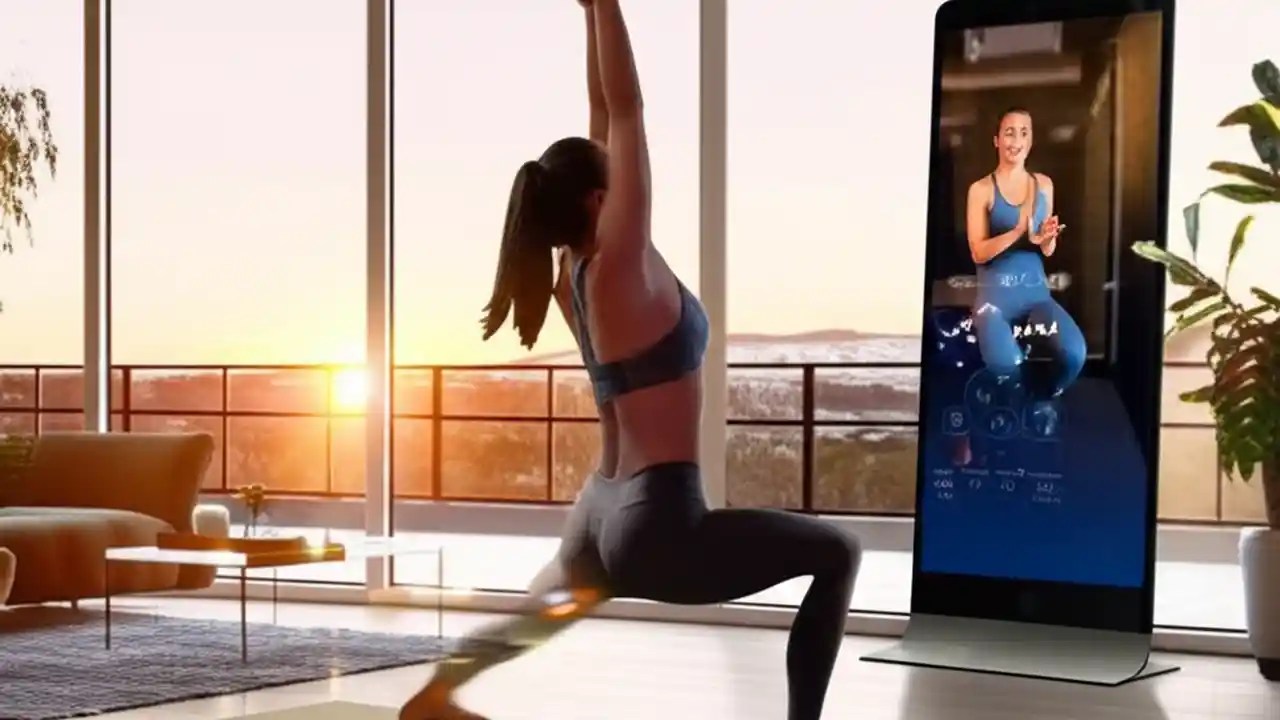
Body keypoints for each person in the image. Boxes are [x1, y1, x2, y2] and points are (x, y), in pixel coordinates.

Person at [398, 2, 861, 719]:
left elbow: (601, 110)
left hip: (599, 509)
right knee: (837, 553)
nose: (624, 165)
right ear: (595, 198)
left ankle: (434, 698)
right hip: (656, 519)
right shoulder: (620, 265)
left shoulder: (573, 274)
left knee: (539, 612)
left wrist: (589, 15)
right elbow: (627, 106)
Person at [964, 107, 1087, 400]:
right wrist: (1016, 233)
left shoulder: (1044, 185)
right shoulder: (981, 190)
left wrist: (1046, 239)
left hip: (1036, 298)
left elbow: (1047, 250)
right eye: (1009, 132)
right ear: (996, 140)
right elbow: (978, 253)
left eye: (1024, 132)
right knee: (1008, 369)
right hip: (995, 303)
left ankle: (1041, 400)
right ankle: (1010, 404)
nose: (1016, 140)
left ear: (1030, 141)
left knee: (1074, 354)